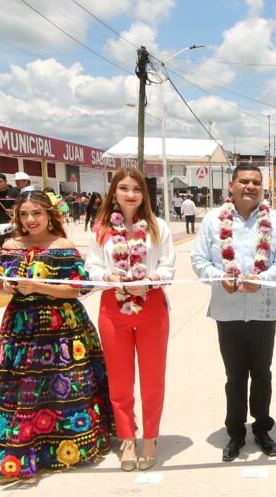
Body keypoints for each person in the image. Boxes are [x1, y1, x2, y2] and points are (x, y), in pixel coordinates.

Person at [0, 190, 113, 482]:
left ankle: (65, 445)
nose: (30, 220)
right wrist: (10, 287)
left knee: (63, 385)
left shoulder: (62, 245)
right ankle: (28, 446)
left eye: (37, 213)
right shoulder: (11, 245)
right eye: (24, 214)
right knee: (22, 387)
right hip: (21, 326)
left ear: (50, 214)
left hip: (61, 326)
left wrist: (38, 286)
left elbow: (76, 288)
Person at [190, 164, 276, 462]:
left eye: (256, 182)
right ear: (231, 185)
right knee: (234, 377)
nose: (250, 186)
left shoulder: (275, 221)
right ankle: (235, 432)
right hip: (228, 310)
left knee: (262, 374)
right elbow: (199, 260)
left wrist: (262, 279)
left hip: (263, 310)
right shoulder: (212, 220)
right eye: (244, 181)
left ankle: (262, 429)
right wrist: (219, 278)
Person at [86, 167, 176, 471]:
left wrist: (150, 279)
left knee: (152, 380)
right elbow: (92, 267)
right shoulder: (101, 228)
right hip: (113, 308)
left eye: (136, 189)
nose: (130, 194)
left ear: (144, 194)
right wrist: (108, 275)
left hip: (151, 307)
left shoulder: (157, 226)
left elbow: (168, 268)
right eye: (124, 188)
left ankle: (150, 437)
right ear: (114, 192)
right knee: (120, 380)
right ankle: (127, 438)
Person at [0, 173, 20, 246]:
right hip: (1, 223)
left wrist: (13, 211)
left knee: (15, 242)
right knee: (3, 244)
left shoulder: (14, 192)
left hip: (14, 221)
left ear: (5, 181)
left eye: (0, 181)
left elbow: (21, 205)